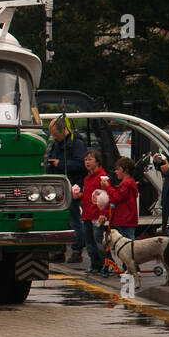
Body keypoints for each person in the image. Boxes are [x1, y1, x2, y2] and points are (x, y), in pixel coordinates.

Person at [45, 117, 87, 263]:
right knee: (58, 220)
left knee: (74, 219)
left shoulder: (77, 144)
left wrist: (60, 163)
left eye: (55, 134)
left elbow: (81, 165)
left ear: (64, 130)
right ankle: (59, 249)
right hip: (56, 187)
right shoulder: (57, 144)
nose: (53, 137)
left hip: (72, 185)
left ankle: (77, 250)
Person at [80, 149, 112, 273]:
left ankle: (107, 264)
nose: (87, 162)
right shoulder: (87, 178)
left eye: (90, 159)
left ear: (97, 161)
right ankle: (95, 265)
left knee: (99, 241)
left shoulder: (102, 177)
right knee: (89, 242)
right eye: (85, 160)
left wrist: (103, 214)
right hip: (87, 214)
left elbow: (106, 196)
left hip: (96, 215)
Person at [106, 157, 139, 240]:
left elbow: (116, 197)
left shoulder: (126, 184)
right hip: (125, 220)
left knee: (127, 244)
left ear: (125, 170)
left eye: (118, 169)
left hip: (125, 220)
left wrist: (107, 187)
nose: (115, 172)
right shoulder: (128, 183)